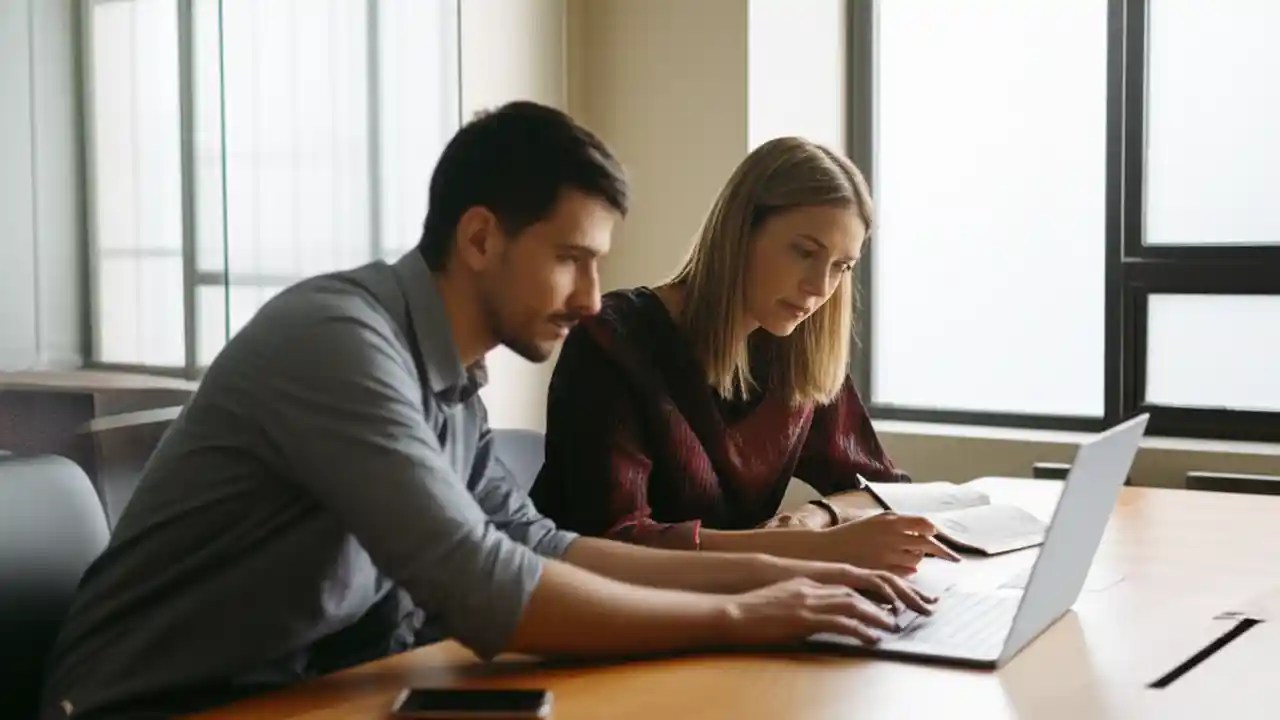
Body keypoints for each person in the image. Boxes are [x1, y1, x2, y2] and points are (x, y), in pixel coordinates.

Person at [40, 105, 930, 720]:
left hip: (306, 690)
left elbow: (536, 545)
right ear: (479, 237)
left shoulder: (450, 379)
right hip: (160, 705)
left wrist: (781, 578)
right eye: (570, 260)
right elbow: (482, 584)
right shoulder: (339, 344)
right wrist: (746, 614)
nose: (592, 299)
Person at [531, 137, 962, 576]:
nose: (820, 287)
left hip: (730, 603)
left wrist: (817, 516)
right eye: (805, 252)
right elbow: (612, 542)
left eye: (841, 266)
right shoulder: (612, 339)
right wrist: (809, 549)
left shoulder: (794, 351)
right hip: (590, 604)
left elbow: (883, 489)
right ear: (740, 233)